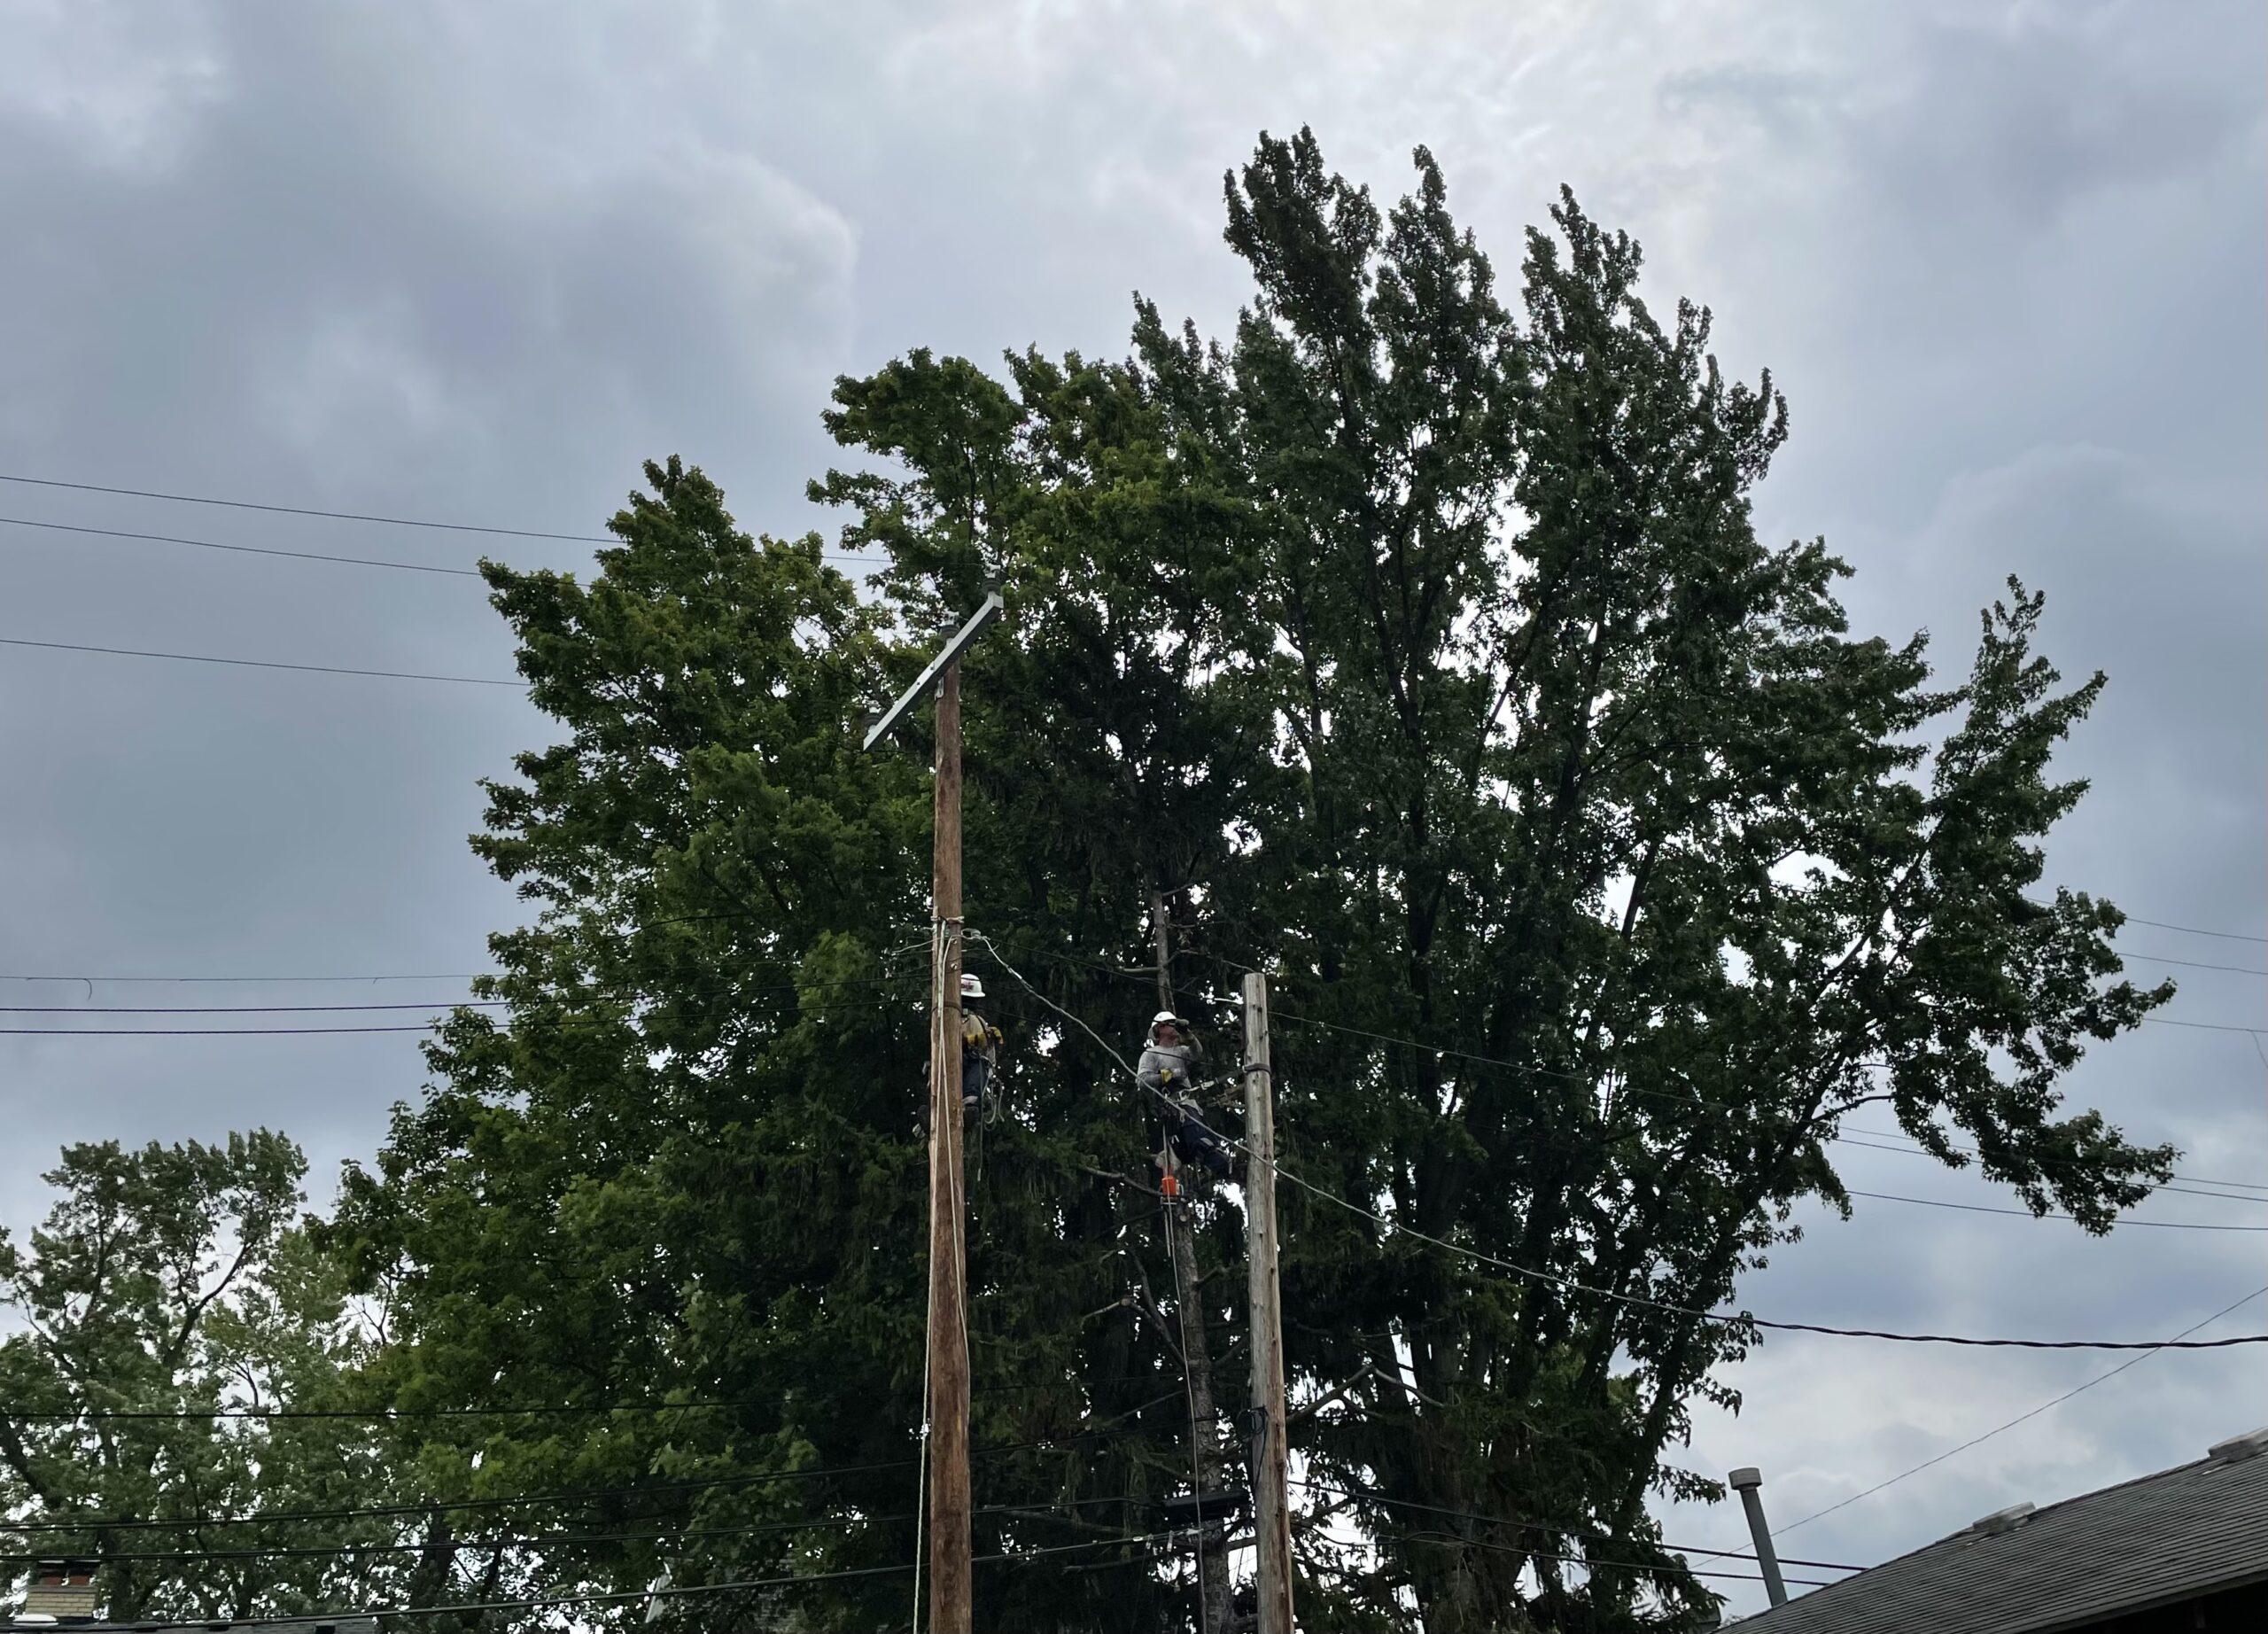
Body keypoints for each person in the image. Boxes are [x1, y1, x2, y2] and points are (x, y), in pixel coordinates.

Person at [1138, 1011, 1240, 1184]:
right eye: (1171, 1024)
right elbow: (1142, 1081)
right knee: (1196, 1141)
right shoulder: (1152, 1054)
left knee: (1204, 1140)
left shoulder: (1181, 1051)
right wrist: (1168, 1075)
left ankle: (1228, 1169)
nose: (1175, 1027)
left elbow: (1196, 1052)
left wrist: (1188, 1034)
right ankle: (1224, 1168)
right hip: (1172, 1106)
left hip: (1188, 1104)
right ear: (1160, 1028)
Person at [960, 972, 1002, 1117]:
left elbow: (989, 1061)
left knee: (979, 1063)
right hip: (948, 1068)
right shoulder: (944, 1018)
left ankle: (969, 1106)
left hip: (972, 1072)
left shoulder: (978, 1022)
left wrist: (989, 1040)